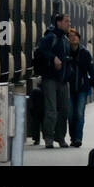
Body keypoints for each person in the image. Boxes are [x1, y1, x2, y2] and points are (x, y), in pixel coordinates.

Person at [35, 11, 72, 148]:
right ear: (59, 22)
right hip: (50, 78)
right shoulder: (50, 37)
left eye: (69, 21)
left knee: (64, 110)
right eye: (66, 21)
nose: (69, 24)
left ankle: (60, 137)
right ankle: (49, 137)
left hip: (63, 79)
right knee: (51, 109)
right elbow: (40, 51)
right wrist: (53, 58)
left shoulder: (65, 39)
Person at [66, 28, 94, 149]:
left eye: (75, 36)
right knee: (70, 114)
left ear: (79, 38)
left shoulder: (84, 53)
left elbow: (92, 70)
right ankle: (72, 137)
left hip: (82, 88)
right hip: (69, 87)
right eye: (70, 36)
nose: (73, 38)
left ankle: (78, 138)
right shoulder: (66, 52)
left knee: (79, 113)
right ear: (68, 39)